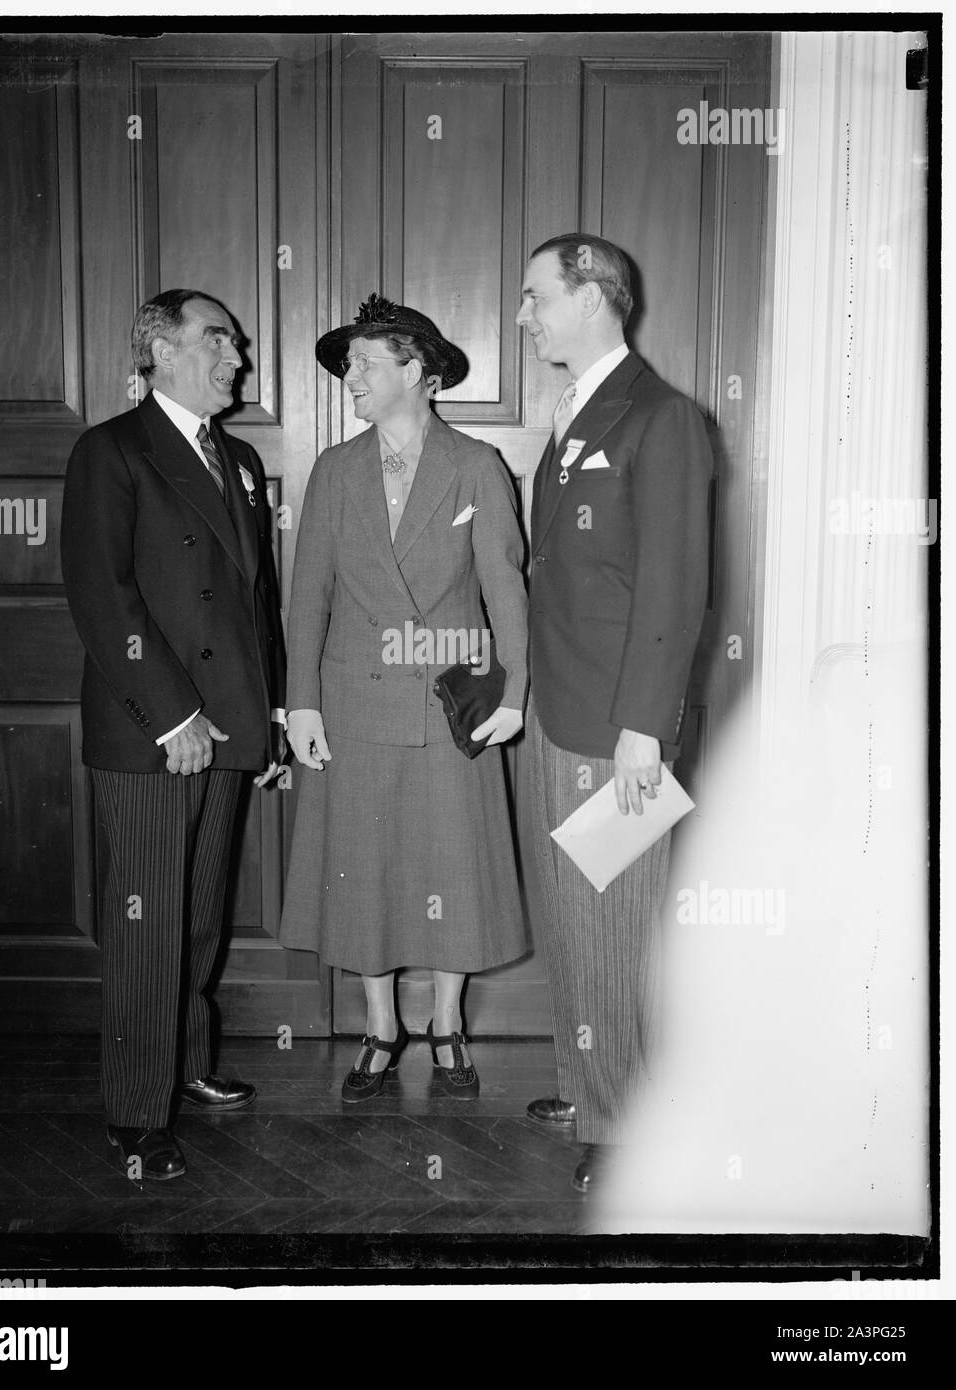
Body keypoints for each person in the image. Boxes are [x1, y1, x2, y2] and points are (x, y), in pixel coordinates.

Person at [278, 294, 528, 1100]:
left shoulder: (477, 466)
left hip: (450, 708)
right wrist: (301, 703)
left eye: (364, 363)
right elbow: (306, 595)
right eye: (348, 365)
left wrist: (514, 691)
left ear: (416, 372)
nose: (349, 376)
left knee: (452, 870)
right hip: (352, 705)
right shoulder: (333, 469)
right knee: (365, 871)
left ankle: (446, 1022)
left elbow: (506, 590)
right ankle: (381, 1027)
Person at [60, 289, 286, 1180]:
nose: (235, 356)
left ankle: (187, 1063)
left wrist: (263, 713)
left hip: (227, 724)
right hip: (156, 731)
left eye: (235, 340)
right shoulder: (110, 450)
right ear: (157, 349)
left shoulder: (234, 459)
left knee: (194, 915)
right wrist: (175, 716)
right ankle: (134, 1112)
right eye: (216, 339)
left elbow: (248, 603)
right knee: (147, 920)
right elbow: (102, 598)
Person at [518, 234, 712, 1192]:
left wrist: (646, 730)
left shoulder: (660, 417)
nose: (524, 315)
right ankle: (588, 1083)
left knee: (614, 927)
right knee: (574, 920)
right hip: (558, 711)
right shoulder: (574, 412)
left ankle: (621, 1124)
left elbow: (673, 589)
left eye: (536, 295)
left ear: (592, 295)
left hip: (618, 731)